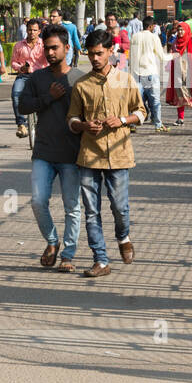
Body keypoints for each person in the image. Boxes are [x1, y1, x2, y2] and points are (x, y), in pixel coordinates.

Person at [67, 29, 146, 279]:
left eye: (99, 53)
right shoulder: (81, 84)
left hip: (119, 154)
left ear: (111, 51)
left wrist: (122, 119)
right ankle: (100, 259)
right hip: (89, 155)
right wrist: (82, 125)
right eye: (91, 54)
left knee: (120, 208)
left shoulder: (125, 80)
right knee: (91, 211)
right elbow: (72, 118)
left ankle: (123, 236)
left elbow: (142, 113)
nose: (95, 59)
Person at [18, 25, 85, 272]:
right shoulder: (38, 78)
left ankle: (68, 254)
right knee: (38, 201)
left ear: (67, 48)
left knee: (72, 207)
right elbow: (23, 106)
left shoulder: (80, 79)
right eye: (46, 48)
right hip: (43, 153)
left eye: (54, 47)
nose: (50, 52)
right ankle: (52, 241)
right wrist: (48, 97)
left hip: (71, 154)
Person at [9, 18, 47, 139]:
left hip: (40, 75)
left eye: (34, 30)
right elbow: (13, 63)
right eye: (30, 30)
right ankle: (21, 124)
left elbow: (49, 61)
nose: (32, 32)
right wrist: (21, 68)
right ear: (26, 30)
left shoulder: (44, 45)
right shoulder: (19, 45)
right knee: (15, 94)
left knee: (46, 97)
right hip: (23, 76)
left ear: (39, 31)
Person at [128, 15, 166, 131]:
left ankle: (132, 125)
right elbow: (161, 56)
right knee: (155, 102)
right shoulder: (154, 38)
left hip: (136, 73)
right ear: (150, 26)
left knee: (136, 101)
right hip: (150, 73)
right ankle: (158, 125)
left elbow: (131, 56)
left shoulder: (134, 37)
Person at [166, 20, 192, 125]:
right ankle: (180, 118)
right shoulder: (175, 42)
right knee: (180, 95)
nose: (180, 32)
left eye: (182, 30)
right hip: (179, 72)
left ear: (187, 30)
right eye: (178, 30)